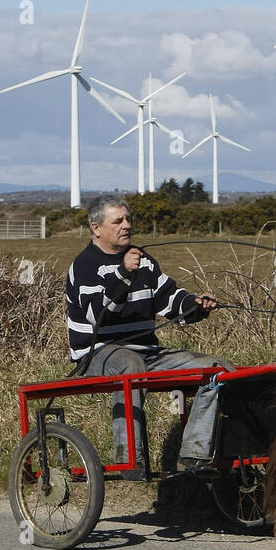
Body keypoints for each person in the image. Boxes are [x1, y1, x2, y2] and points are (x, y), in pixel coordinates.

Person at [66, 196, 235, 481]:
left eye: (128, 219)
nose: (126, 226)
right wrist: (122, 274)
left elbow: (170, 300)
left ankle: (194, 456)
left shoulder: (144, 261)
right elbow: (97, 314)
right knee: (130, 366)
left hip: (147, 353)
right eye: (118, 221)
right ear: (96, 228)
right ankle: (130, 460)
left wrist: (196, 304)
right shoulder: (85, 266)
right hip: (98, 354)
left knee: (218, 369)